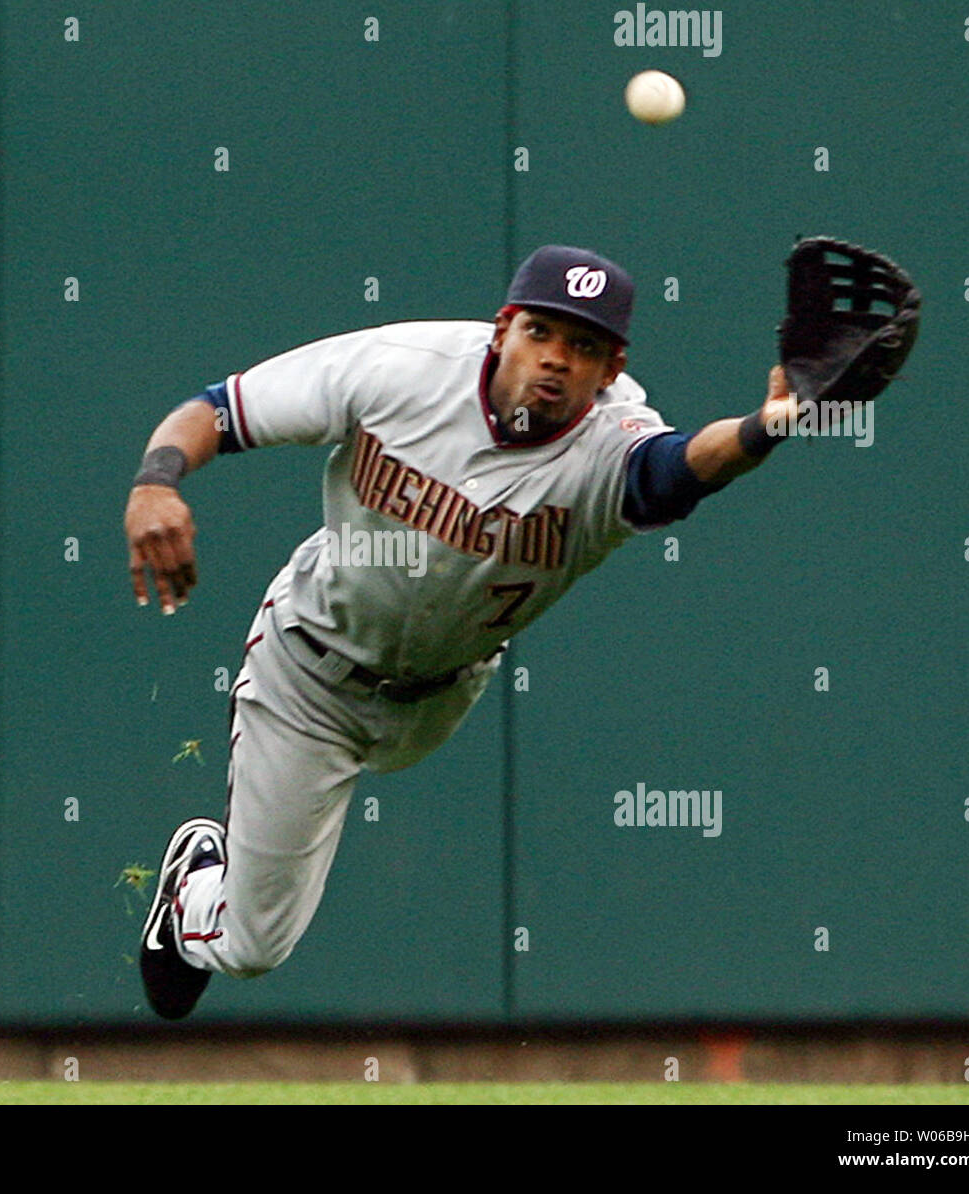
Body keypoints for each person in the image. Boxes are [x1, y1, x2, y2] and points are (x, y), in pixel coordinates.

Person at [124, 244, 798, 1019]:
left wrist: (763, 428)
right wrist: (155, 483)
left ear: (611, 369)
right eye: (542, 332)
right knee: (252, 948)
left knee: (390, 753)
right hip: (309, 673)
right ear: (503, 328)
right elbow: (216, 410)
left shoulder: (613, 439)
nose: (556, 360)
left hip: (442, 696)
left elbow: (675, 470)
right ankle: (195, 888)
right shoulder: (400, 366)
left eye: (584, 348)